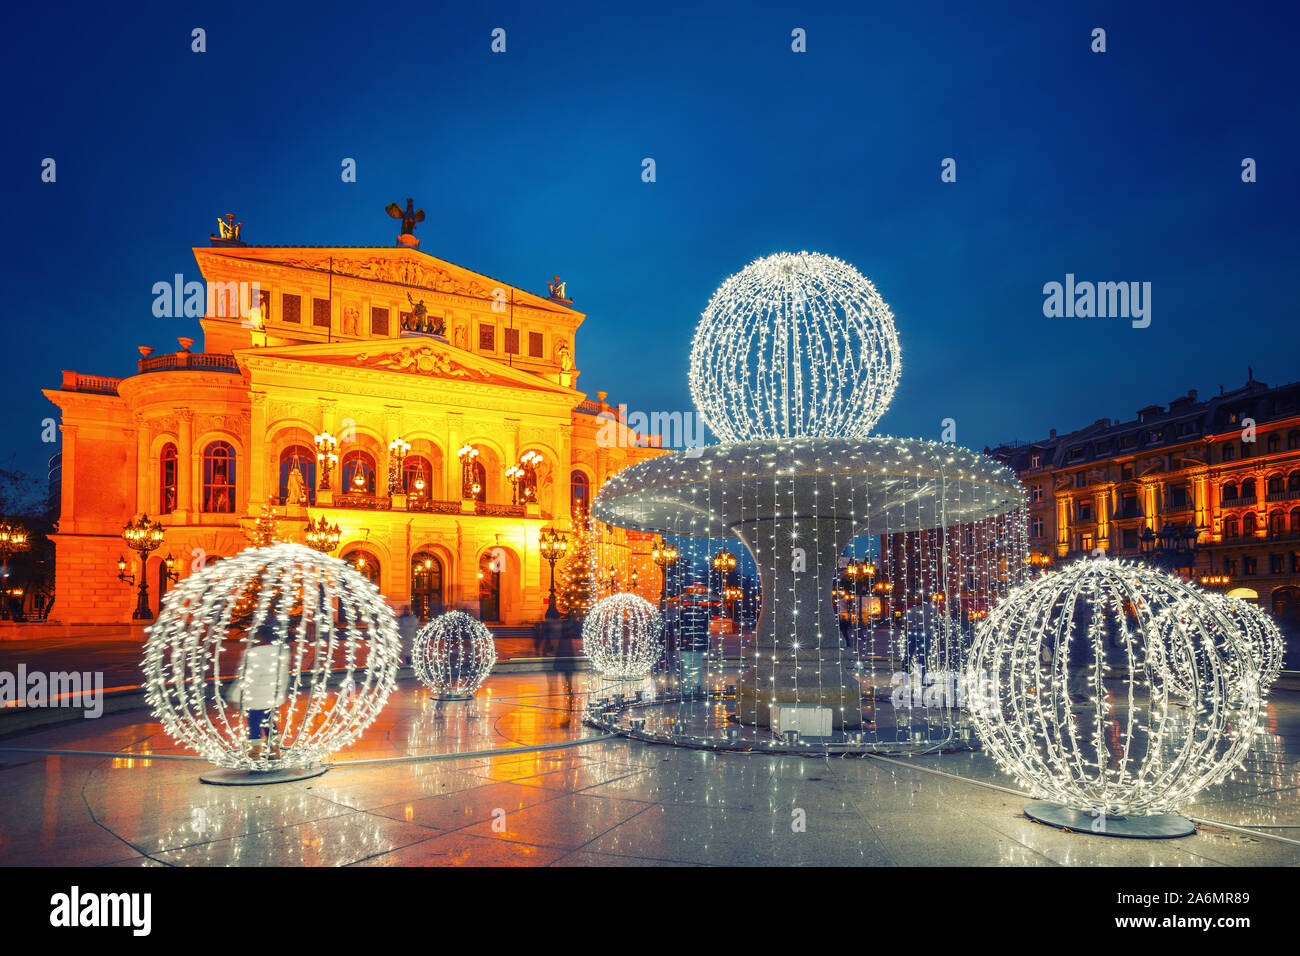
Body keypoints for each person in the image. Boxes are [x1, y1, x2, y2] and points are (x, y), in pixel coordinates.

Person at [226, 624, 291, 761]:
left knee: (254, 726)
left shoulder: (254, 654)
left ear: (261, 636)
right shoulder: (281, 653)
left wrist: (236, 696)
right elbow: (283, 677)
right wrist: (280, 694)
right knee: (270, 724)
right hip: (272, 698)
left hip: (255, 699)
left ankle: (254, 755)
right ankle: (274, 752)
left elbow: (248, 679)